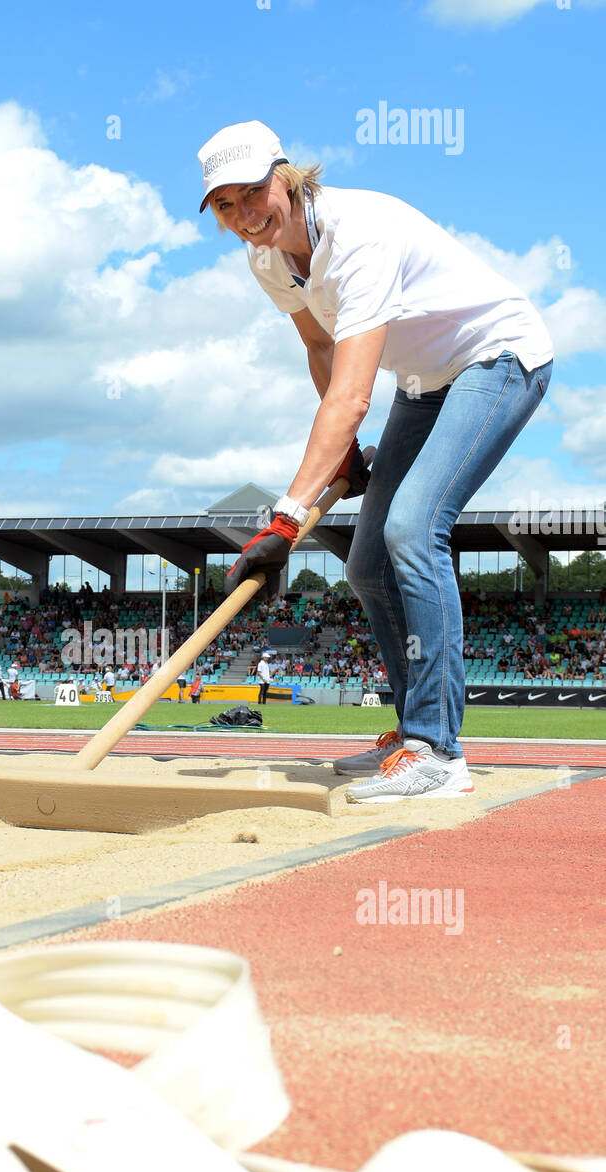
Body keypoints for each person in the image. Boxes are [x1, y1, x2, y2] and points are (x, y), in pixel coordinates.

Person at [201, 120, 552, 801]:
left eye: (252, 194)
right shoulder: (268, 259)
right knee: (365, 562)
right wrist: (342, 461)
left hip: (497, 357)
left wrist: (284, 522)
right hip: (424, 383)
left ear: (287, 177)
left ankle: (439, 754)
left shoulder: (358, 234)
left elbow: (353, 395)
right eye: (224, 206)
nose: (244, 216)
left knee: (412, 529)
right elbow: (319, 350)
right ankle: (407, 736)